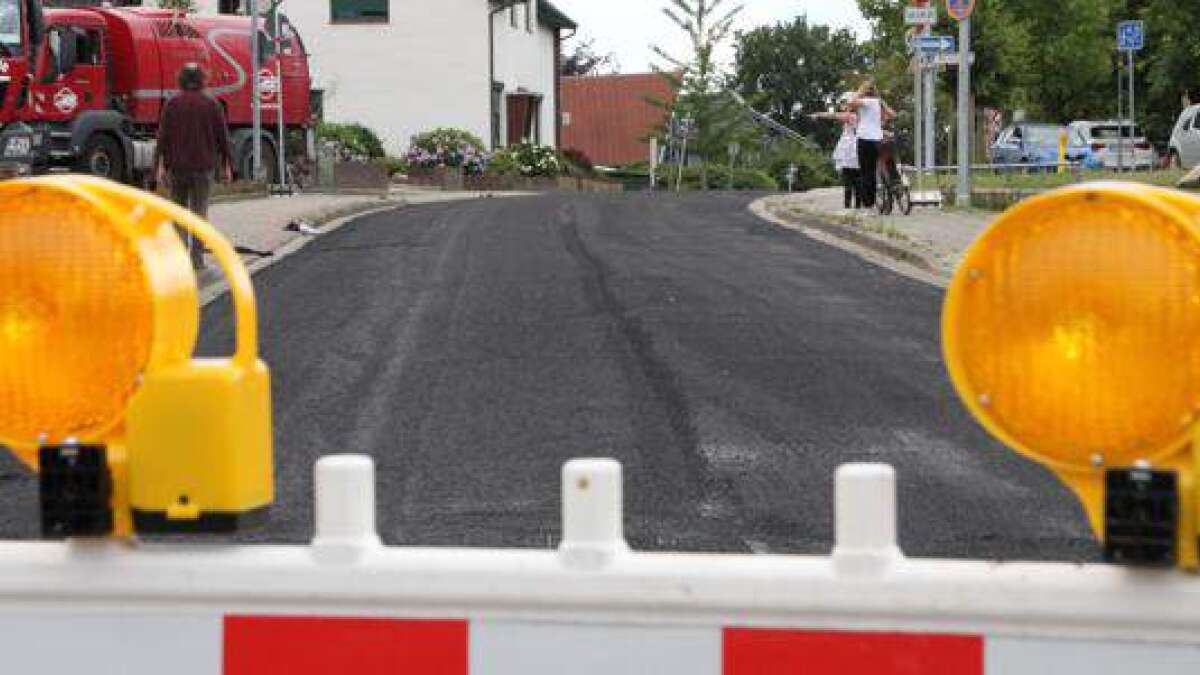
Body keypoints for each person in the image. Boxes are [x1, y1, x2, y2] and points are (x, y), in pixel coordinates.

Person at [154, 63, 234, 270]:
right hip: (203, 168)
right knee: (200, 213)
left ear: (181, 79)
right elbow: (223, 138)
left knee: (178, 214)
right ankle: (197, 259)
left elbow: (162, 138)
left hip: (177, 168)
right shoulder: (212, 104)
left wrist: (159, 166)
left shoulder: (172, 104)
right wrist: (226, 165)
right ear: (202, 79)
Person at [848, 81, 896, 209]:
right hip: (878, 139)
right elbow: (892, 114)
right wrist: (882, 103)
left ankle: (868, 204)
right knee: (873, 171)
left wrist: (858, 93)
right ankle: (874, 200)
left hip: (865, 139)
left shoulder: (866, 101)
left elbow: (851, 103)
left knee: (865, 172)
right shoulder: (877, 102)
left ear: (865, 91)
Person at [811, 93, 861, 211]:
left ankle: (848, 206)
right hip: (859, 147)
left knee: (849, 179)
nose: (842, 105)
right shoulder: (861, 116)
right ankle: (857, 205)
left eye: (844, 103)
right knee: (857, 179)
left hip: (849, 149)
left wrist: (818, 115)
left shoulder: (850, 116)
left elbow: (832, 115)